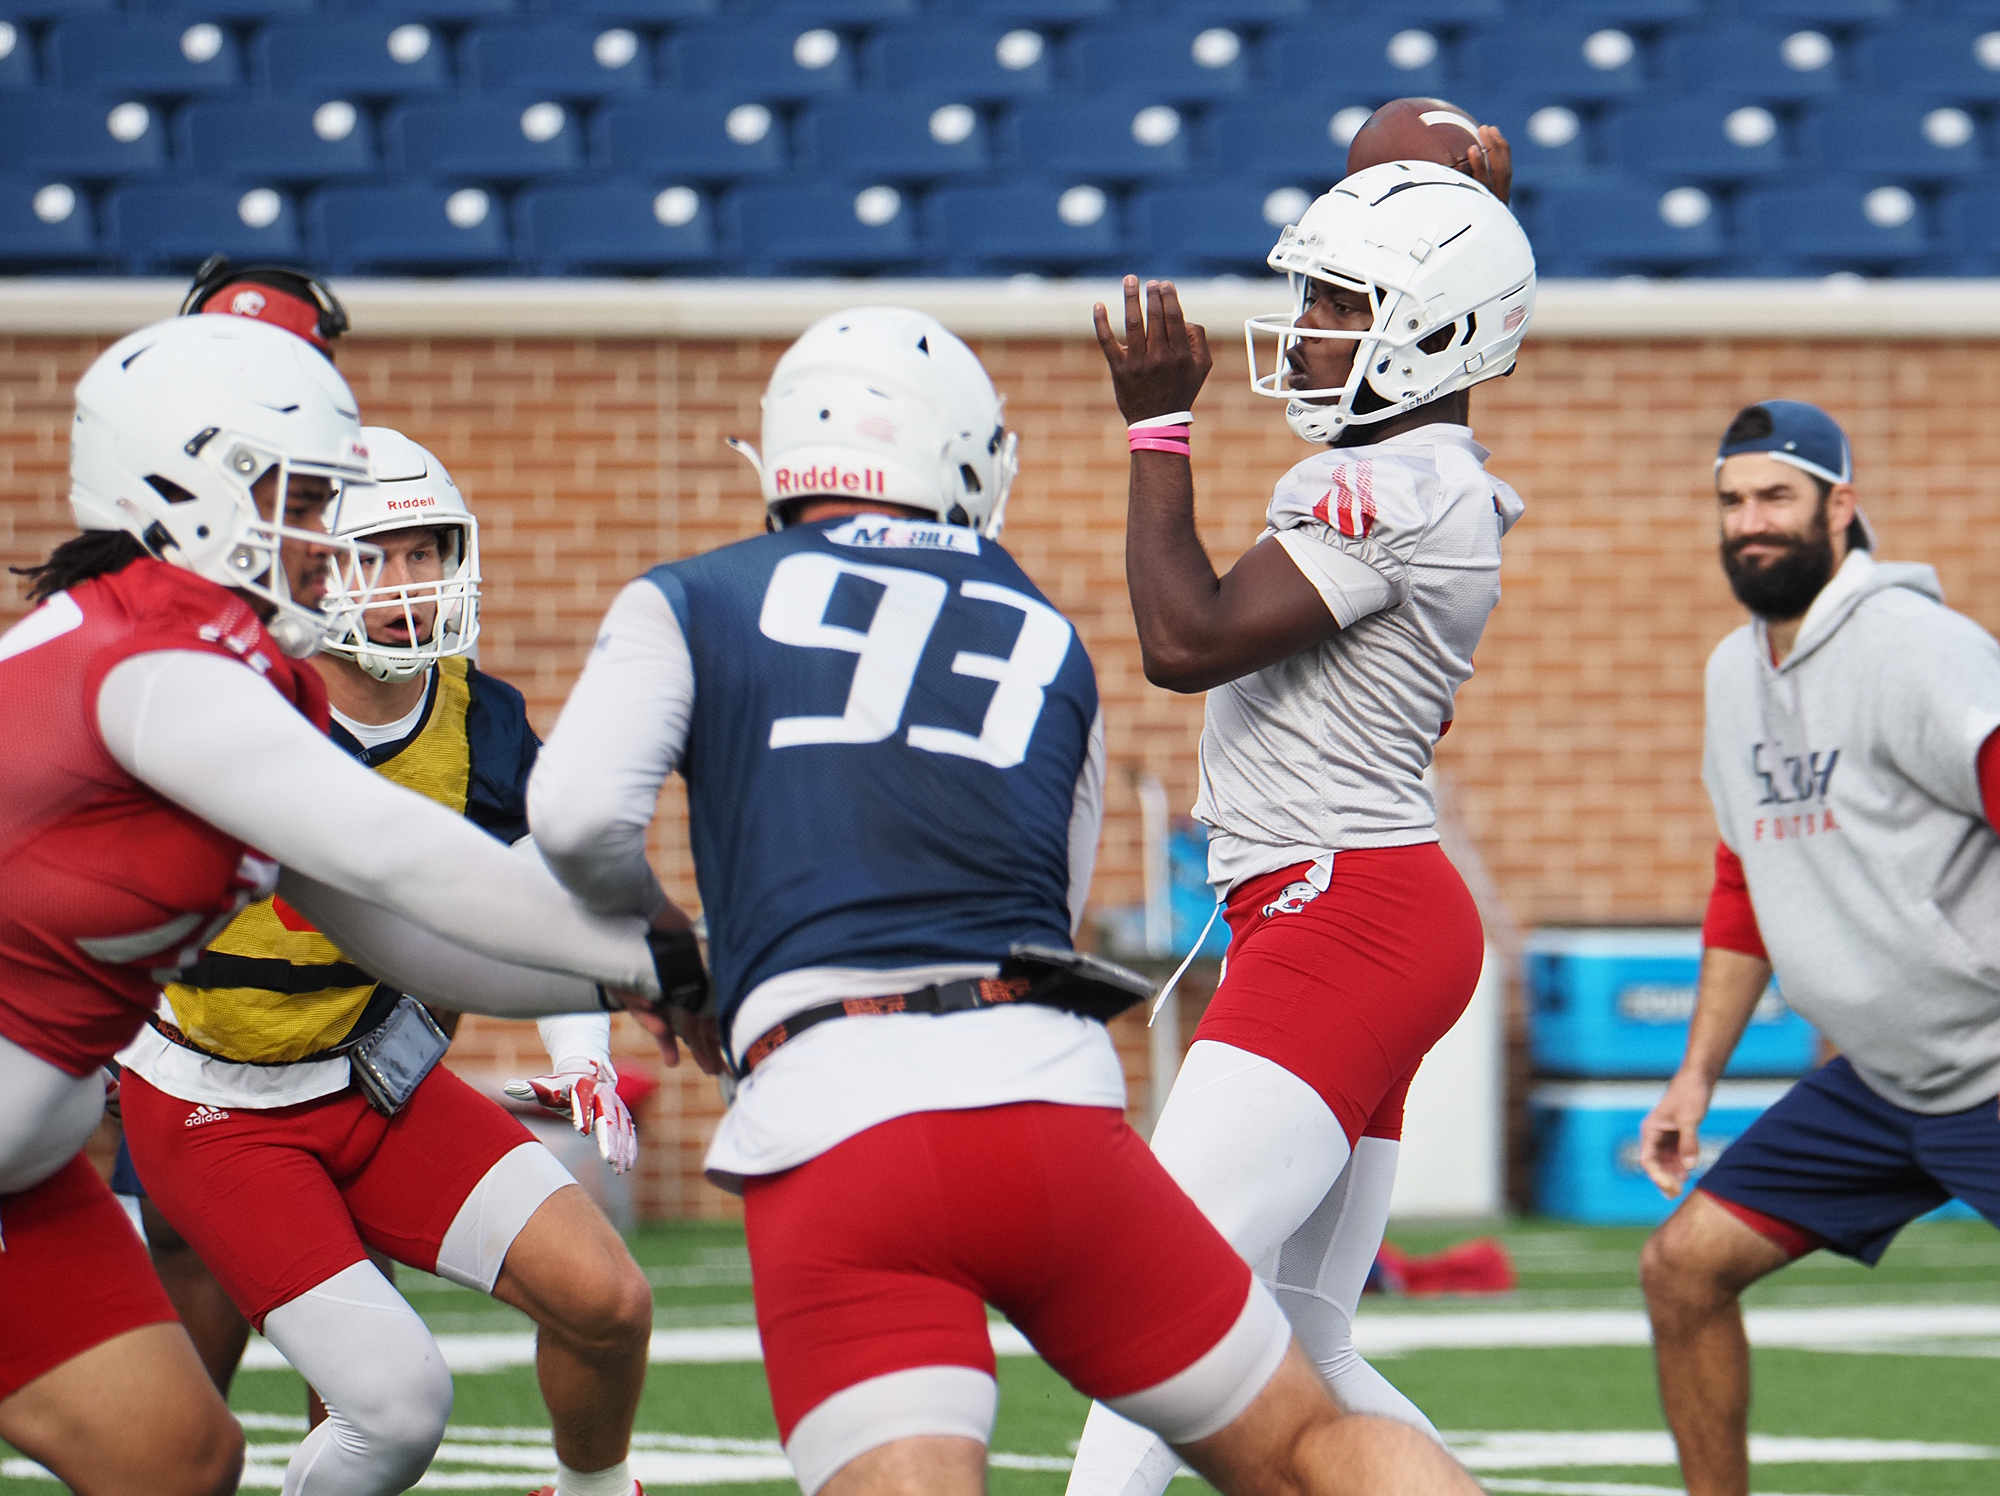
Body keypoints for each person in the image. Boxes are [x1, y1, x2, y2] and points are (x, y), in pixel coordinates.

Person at [527, 305, 1481, 1496]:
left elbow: (570, 819)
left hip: (835, 1106)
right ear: (968, 455)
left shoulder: (694, 596)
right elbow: (1054, 912)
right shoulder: (1040, 628)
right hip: (1040, 1099)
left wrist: (675, 955)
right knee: (1303, 1435)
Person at [0, 313, 673, 1496]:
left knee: (186, 1456)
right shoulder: (164, 665)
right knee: (348, 1411)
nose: (326, 542)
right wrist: (671, 959)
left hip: (139, 1135)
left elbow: (391, 923)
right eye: (303, 504)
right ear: (189, 486)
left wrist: (626, 984)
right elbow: (402, 857)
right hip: (204, 1100)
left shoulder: (203, 654)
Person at [1065, 159, 1536, 1496]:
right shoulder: (1417, 474)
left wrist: (1158, 433)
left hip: (1345, 913)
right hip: (1362, 903)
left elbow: (1185, 637)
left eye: (1341, 303)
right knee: (1308, 1336)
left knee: (1160, 1282)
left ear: (1442, 328)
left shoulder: (1397, 487)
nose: (1311, 329)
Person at [1636, 400, 2000, 1496]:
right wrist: (1693, 1077)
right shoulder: (1727, 674)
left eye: (1774, 496)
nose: (1749, 520)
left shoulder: (1919, 648)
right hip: (1878, 1086)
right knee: (1680, 1270)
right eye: (1730, 499)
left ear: (1838, 508)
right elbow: (1744, 883)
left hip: (1989, 1063)